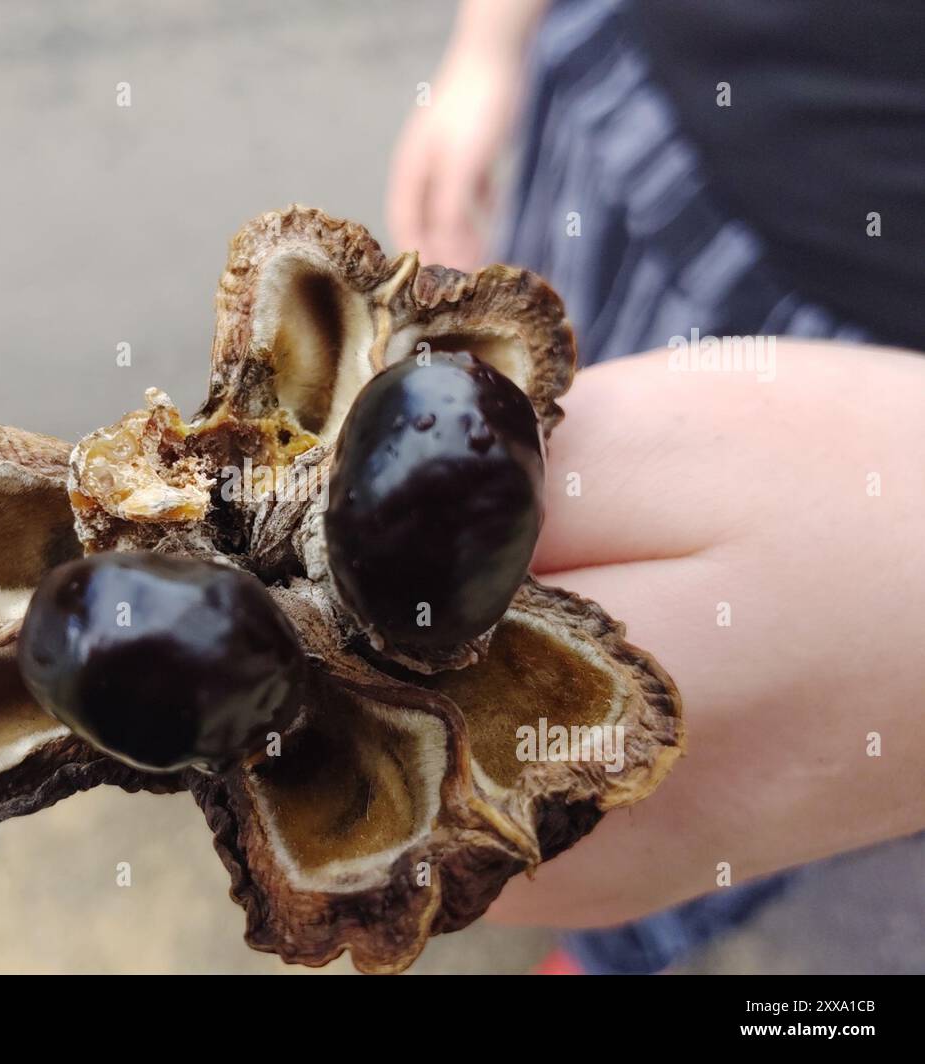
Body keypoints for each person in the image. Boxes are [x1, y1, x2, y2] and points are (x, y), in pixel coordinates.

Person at [387, 0, 925, 973]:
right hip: (628, 117)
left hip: (871, 332)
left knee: (750, 734)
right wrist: (486, 43)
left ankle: (628, 938)